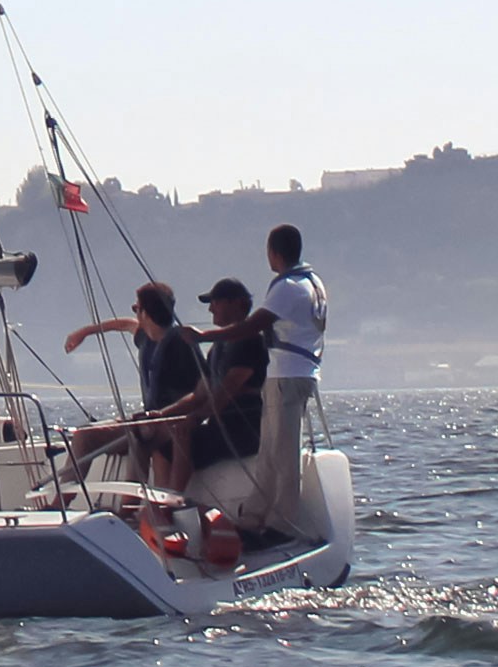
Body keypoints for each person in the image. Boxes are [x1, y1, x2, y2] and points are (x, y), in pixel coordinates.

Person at [53, 282, 207, 497]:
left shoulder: (180, 343)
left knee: (139, 435)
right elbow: (124, 325)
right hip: (146, 420)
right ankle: (62, 501)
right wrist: (85, 332)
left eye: (137, 309)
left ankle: (128, 507)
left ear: (146, 312)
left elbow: (202, 391)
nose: (134, 314)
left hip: (170, 420)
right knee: (84, 436)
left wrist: (163, 414)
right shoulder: (146, 338)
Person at [247, 222, 328, 541]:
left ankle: (282, 525)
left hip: (286, 375)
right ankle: (255, 517)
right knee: (270, 450)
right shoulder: (313, 282)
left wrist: (204, 336)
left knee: (282, 454)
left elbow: (254, 325)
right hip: (296, 373)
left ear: (274, 252)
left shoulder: (288, 287)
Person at [191, 280, 274, 478]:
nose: (211, 309)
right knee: (165, 440)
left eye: (215, 302)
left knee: (184, 440)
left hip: (243, 432)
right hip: (220, 428)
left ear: (235, 303)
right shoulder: (217, 348)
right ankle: (169, 500)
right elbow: (201, 393)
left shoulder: (251, 341)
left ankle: (169, 503)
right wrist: (161, 416)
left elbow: (227, 390)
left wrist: (194, 419)